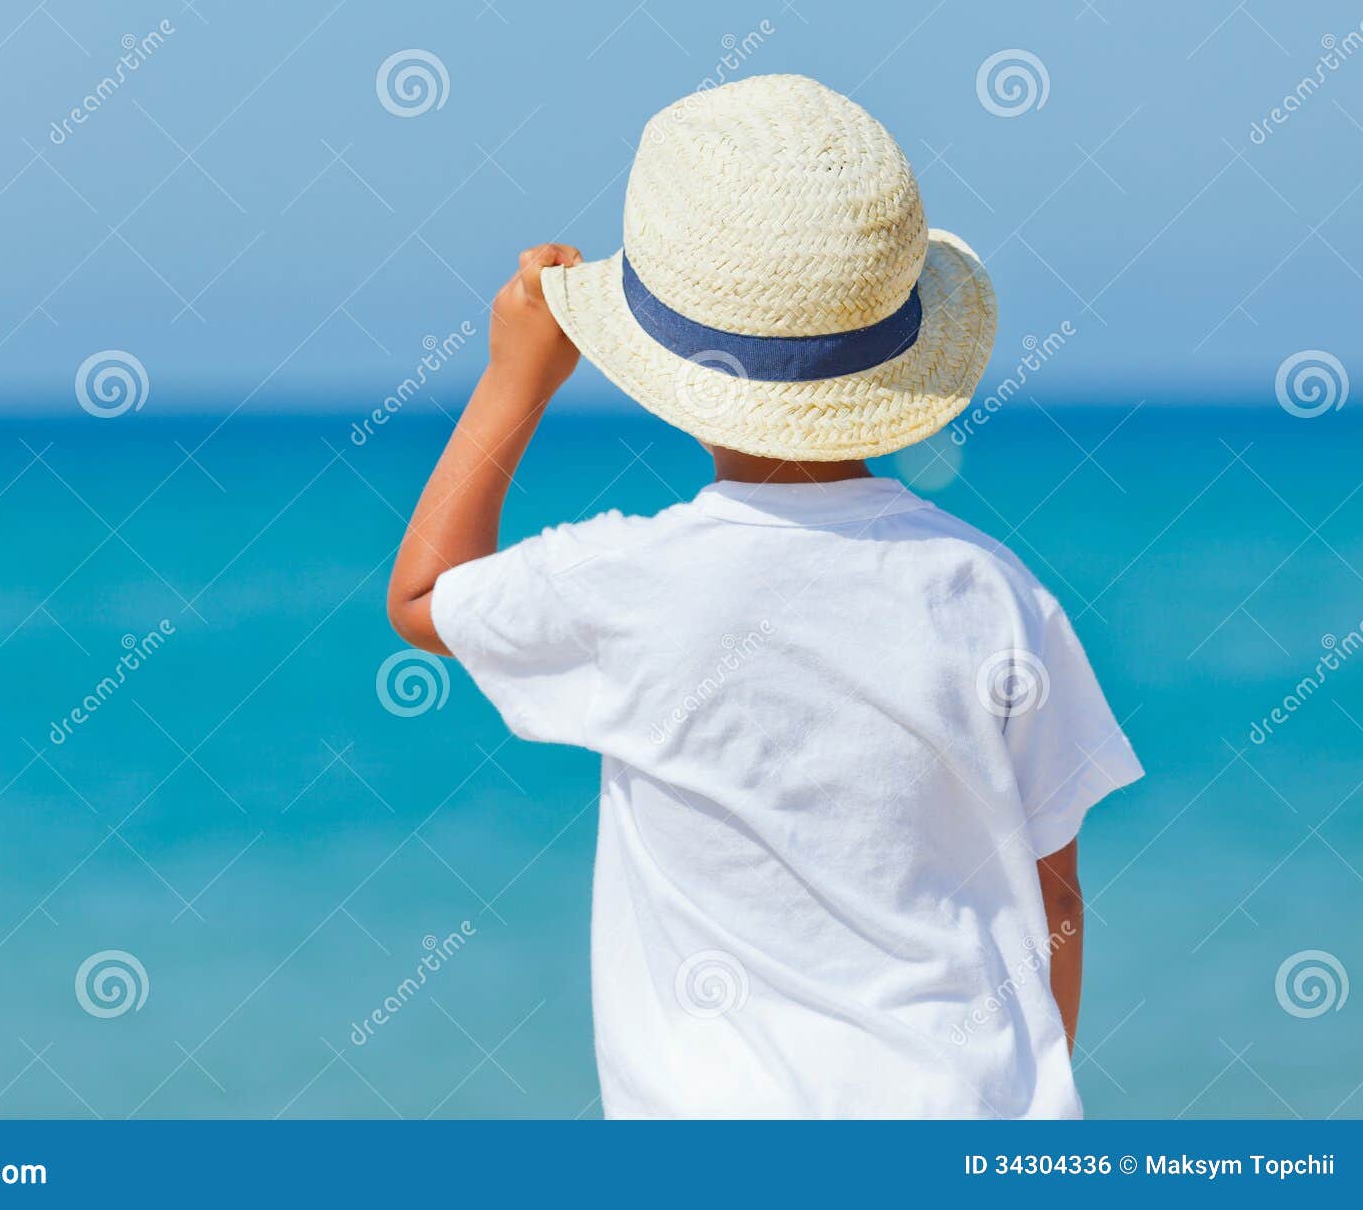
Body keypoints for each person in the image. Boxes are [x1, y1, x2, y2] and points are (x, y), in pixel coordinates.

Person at [387, 75, 1143, 1119]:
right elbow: (1053, 900)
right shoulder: (992, 591)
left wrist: (515, 378)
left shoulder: (630, 583)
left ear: (660, 358)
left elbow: (426, 594)